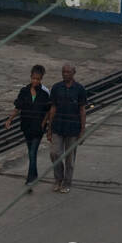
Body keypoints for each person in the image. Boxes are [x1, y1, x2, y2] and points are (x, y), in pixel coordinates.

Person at [6, 64, 51, 191]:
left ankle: (30, 179)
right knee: (31, 151)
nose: (35, 81)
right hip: (26, 126)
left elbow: (49, 110)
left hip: (38, 128)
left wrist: (44, 123)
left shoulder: (45, 93)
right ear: (31, 77)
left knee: (32, 152)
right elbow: (18, 107)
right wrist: (10, 119)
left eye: (38, 79)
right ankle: (34, 175)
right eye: (33, 78)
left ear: (41, 79)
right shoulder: (24, 91)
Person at [43, 63, 86, 193]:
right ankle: (58, 179)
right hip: (57, 126)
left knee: (70, 158)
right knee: (54, 153)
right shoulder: (56, 88)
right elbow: (53, 108)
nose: (65, 74)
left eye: (68, 72)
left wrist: (82, 130)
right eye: (63, 72)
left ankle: (67, 182)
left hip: (73, 128)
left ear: (73, 73)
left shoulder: (79, 89)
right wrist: (49, 129)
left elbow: (82, 110)